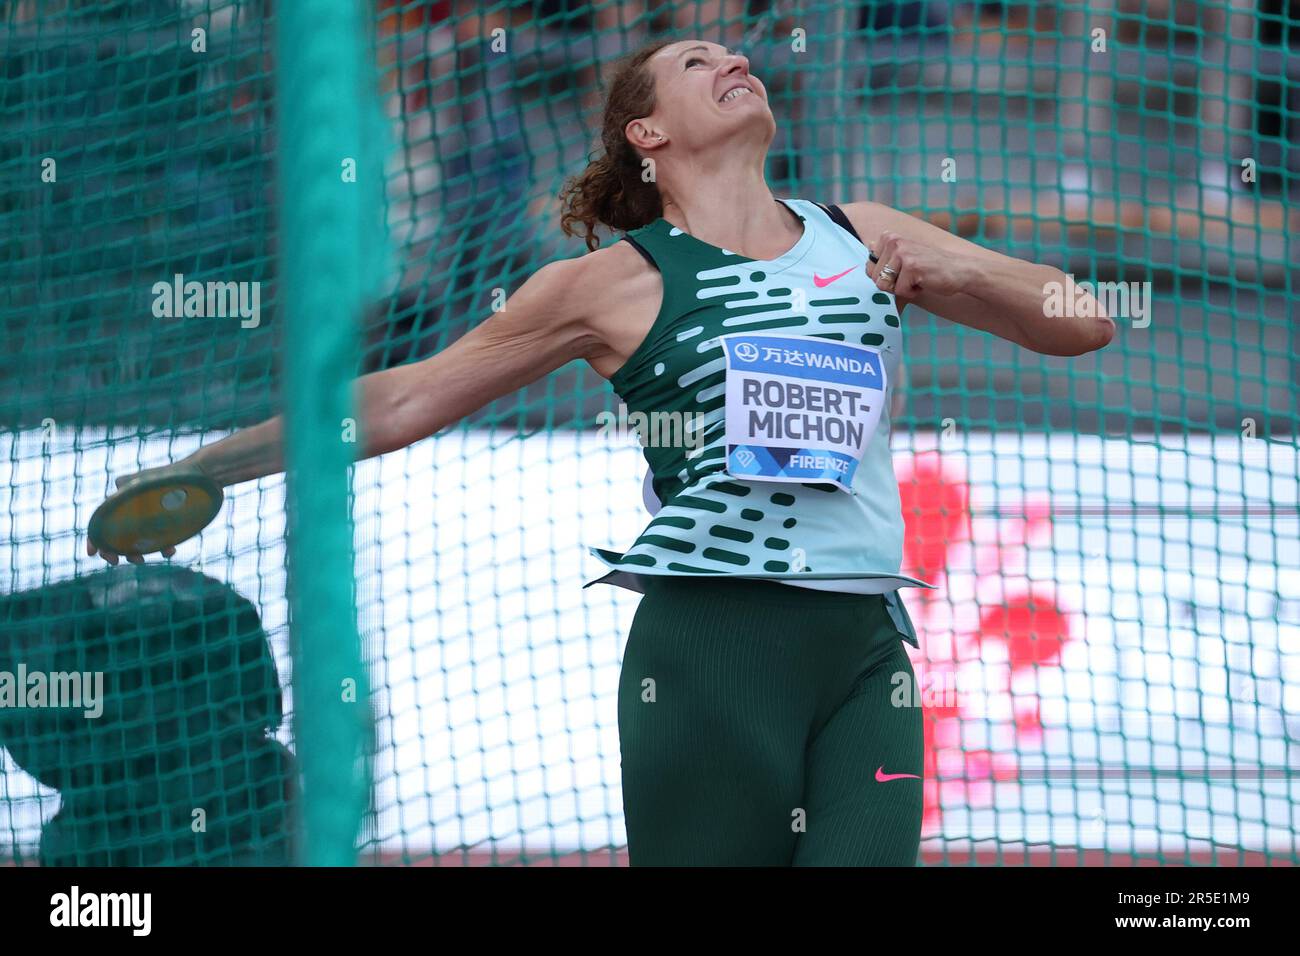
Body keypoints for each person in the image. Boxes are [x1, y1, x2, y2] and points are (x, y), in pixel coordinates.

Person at [89, 37, 1113, 865]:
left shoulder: (865, 230)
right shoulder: (610, 282)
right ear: (647, 131)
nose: (732, 61)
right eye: (694, 61)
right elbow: (408, 396)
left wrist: (949, 270)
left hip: (865, 650)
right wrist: (203, 465)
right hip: (710, 650)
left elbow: (1083, 321)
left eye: (735, 53)